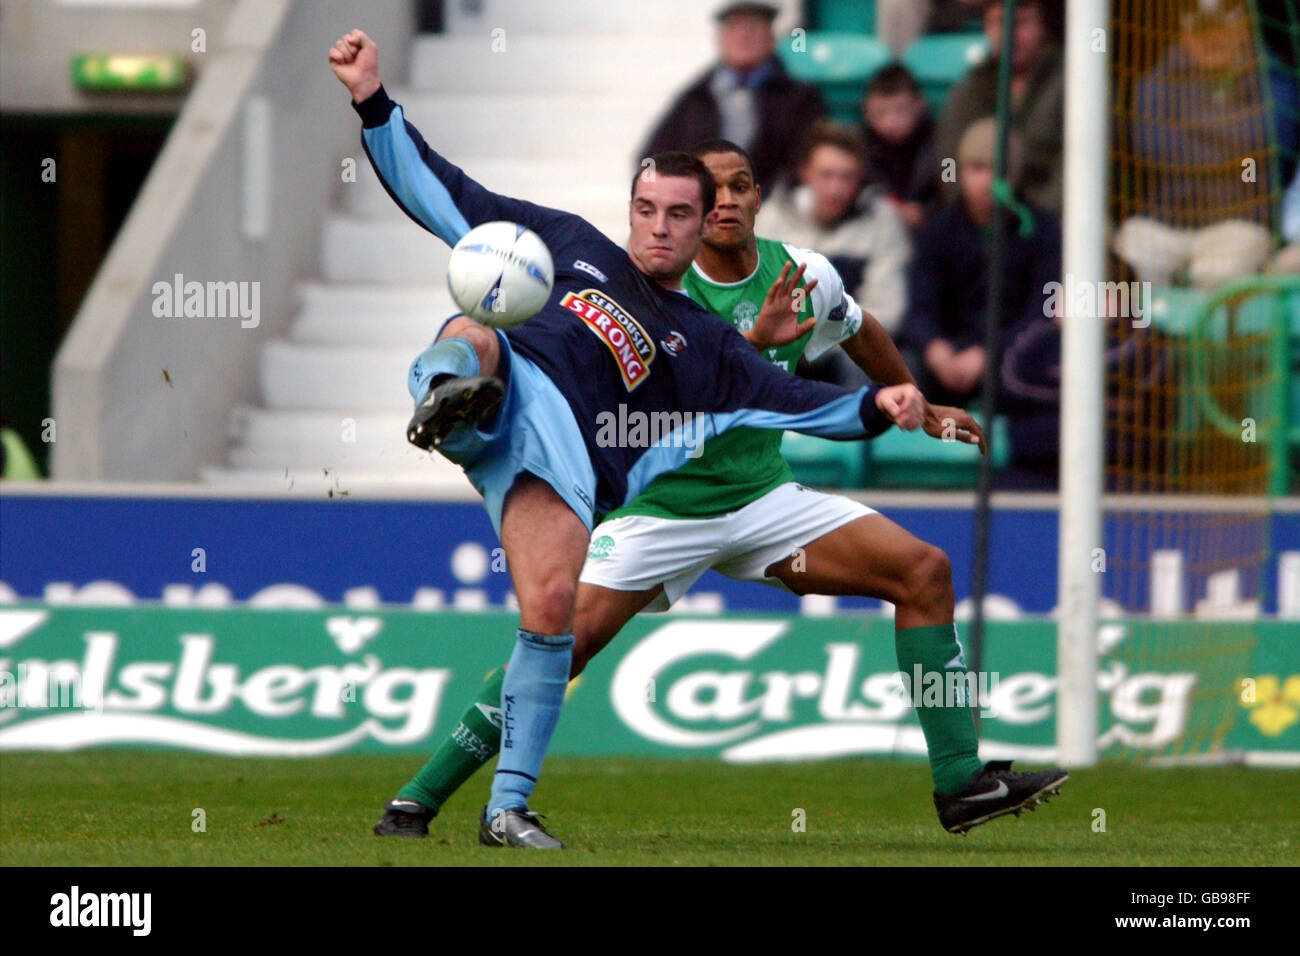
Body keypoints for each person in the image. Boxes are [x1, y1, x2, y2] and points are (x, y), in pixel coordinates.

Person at [373, 139, 1068, 845]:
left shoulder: (803, 275)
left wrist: (916, 402)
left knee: (924, 570)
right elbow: (698, 382)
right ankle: (417, 799)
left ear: (758, 198)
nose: (727, 201)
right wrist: (756, 346)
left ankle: (960, 779)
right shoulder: (652, 284)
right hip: (662, 508)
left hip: (762, 498)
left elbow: (856, 332)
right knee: (563, 639)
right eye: (711, 193)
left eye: (740, 185)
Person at [330, 29, 927, 849]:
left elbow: (790, 400)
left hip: (569, 469)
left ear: (697, 228)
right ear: (632, 208)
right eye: (647, 209)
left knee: (548, 619)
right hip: (510, 393)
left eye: (678, 215)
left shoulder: (705, 343)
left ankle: (502, 810)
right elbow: (444, 192)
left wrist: (876, 407)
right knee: (480, 315)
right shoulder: (572, 245)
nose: (658, 228)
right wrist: (370, 97)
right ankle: (444, 396)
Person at [898, 118, 1061, 411]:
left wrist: (988, 353)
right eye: (977, 168)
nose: (987, 181)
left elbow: (1042, 311)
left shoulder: (1043, 233)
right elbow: (919, 308)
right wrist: (936, 349)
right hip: (947, 354)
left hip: (1013, 356)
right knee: (904, 372)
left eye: (1000, 171)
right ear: (960, 172)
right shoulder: (938, 232)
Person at [638, 1, 825, 195]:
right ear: (720, 40)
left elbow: (809, 163)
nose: (744, 36)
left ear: (771, 39)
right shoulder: (695, 98)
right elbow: (651, 158)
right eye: (734, 28)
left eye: (753, 28)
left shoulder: (798, 98)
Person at [756, 121, 911, 344]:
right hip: (780, 347)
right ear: (805, 173)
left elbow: (886, 311)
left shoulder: (883, 222)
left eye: (847, 177)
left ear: (861, 176)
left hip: (849, 351)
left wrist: (817, 338)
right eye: (826, 175)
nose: (836, 189)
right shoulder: (771, 220)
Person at [935, 0, 1063, 216]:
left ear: (1042, 27)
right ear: (986, 28)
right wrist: (963, 207)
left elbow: (1077, 171)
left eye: (1020, 22)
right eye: (998, 23)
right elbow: (947, 162)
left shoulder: (1070, 85)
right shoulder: (967, 89)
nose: (1009, 34)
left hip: (1047, 227)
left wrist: (1030, 219)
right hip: (977, 222)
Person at [860, 64, 940, 232]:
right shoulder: (859, 148)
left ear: (920, 105)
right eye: (880, 113)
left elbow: (951, 189)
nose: (891, 122)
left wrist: (926, 212)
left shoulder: (943, 146)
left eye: (900, 110)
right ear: (866, 112)